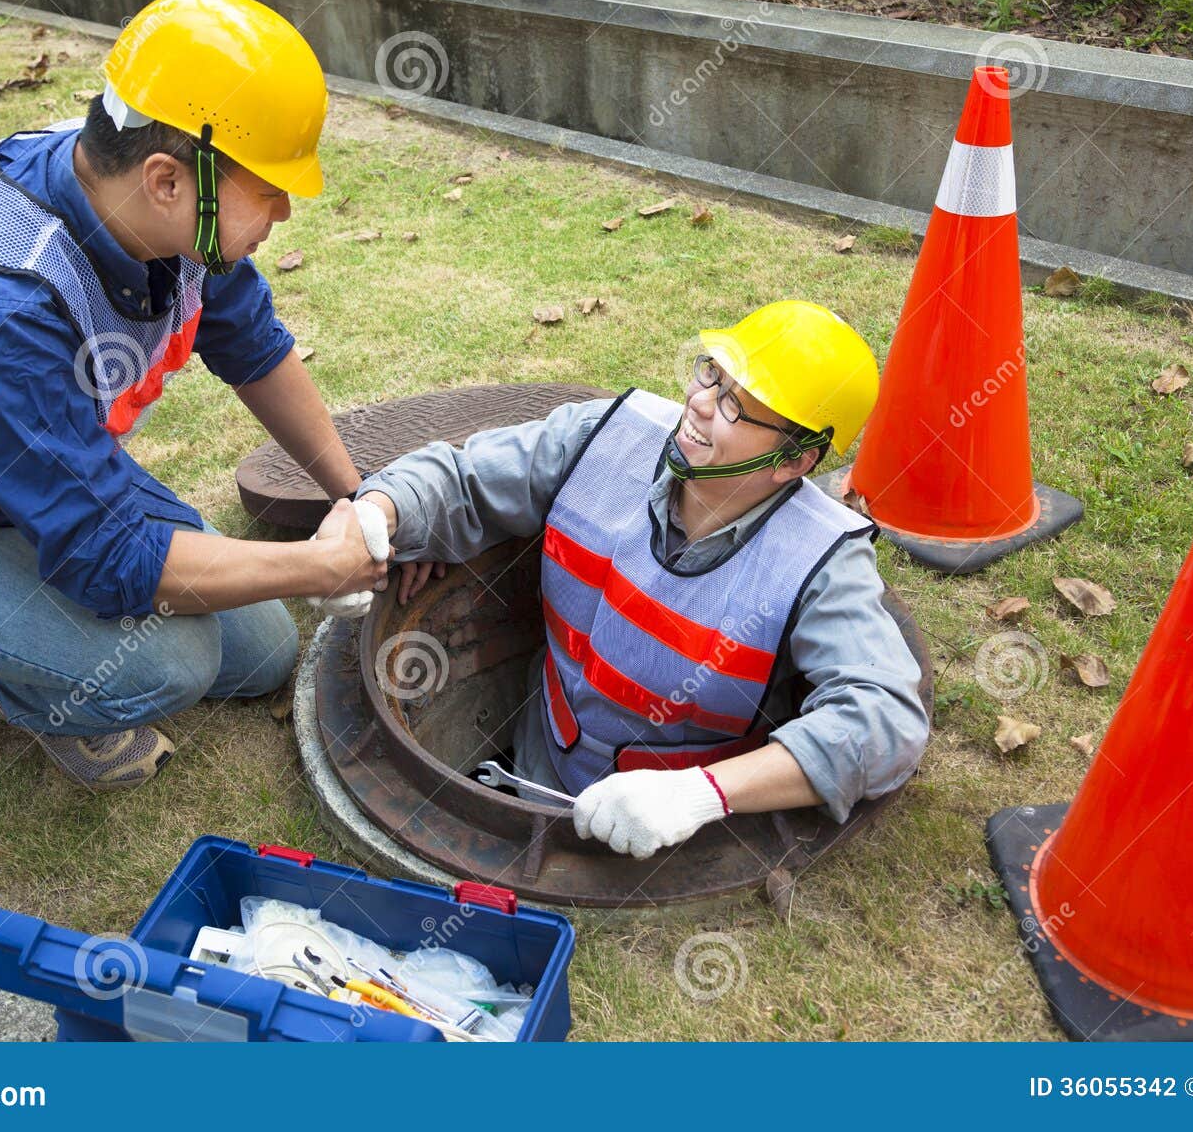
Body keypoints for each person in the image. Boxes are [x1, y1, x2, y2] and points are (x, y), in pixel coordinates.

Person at [0, 0, 387, 791]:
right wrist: (318, 569)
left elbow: (251, 344)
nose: (284, 210)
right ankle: (27, 689)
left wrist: (354, 495)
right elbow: (110, 558)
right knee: (168, 666)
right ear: (168, 179)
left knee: (264, 655)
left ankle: (29, 631)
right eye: (270, 190)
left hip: (29, 471)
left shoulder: (147, 197)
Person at [357, 301, 929, 859]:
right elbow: (461, 477)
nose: (700, 402)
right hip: (539, 758)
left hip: (669, 836)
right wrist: (372, 519)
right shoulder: (607, 437)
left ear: (796, 460)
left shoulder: (821, 564)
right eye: (711, 372)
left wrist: (701, 795)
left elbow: (884, 722)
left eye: (737, 404)